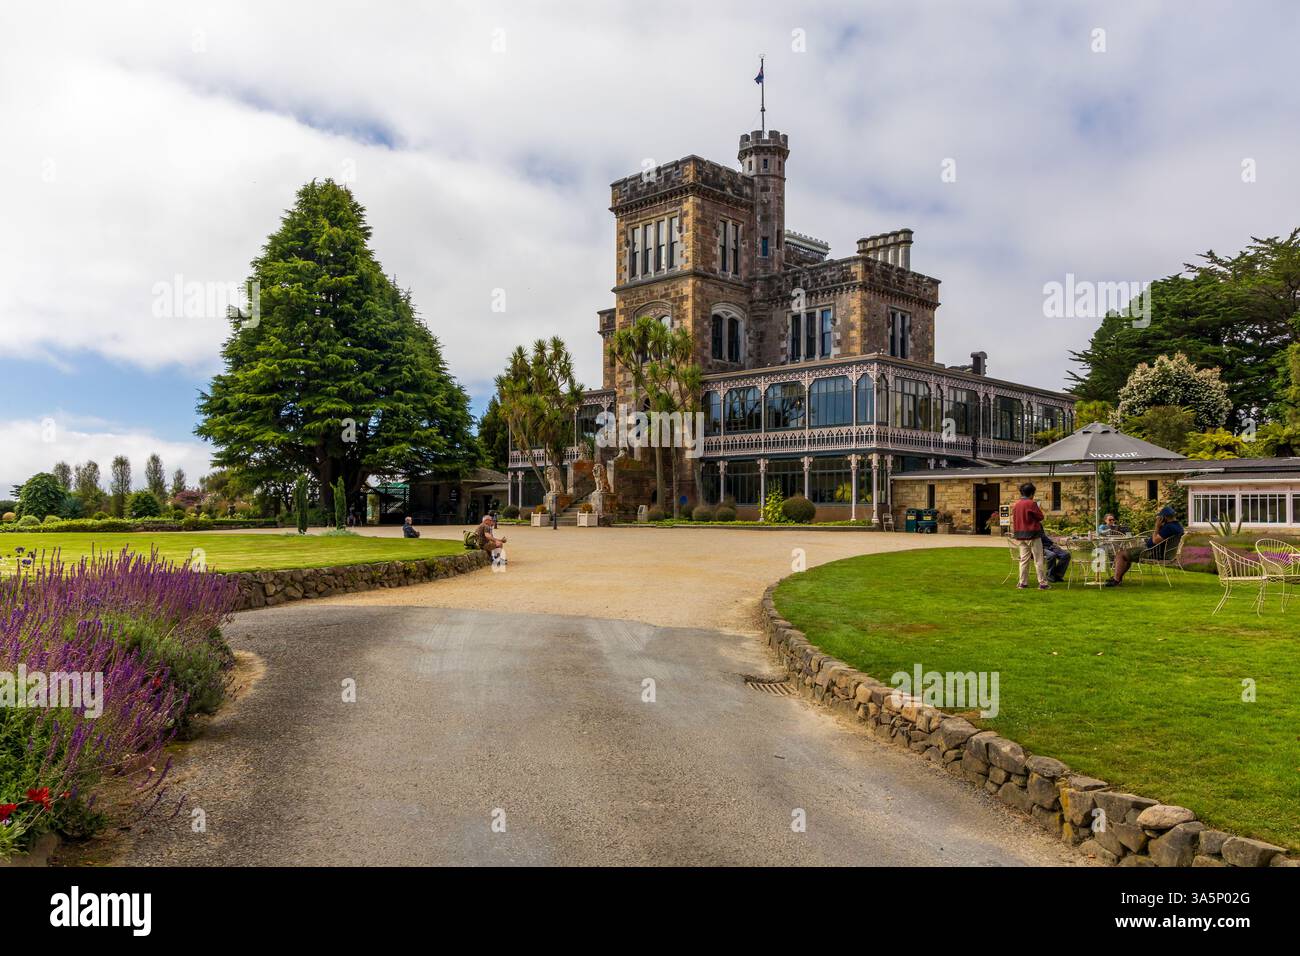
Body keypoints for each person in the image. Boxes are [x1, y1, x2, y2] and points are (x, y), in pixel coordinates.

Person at [1105, 505, 1184, 586]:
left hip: (1152, 552)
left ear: (1164, 517)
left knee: (1121, 554)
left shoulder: (1169, 527)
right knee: (1126, 556)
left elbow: (1155, 540)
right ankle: (1117, 578)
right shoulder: (1178, 526)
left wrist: (1157, 527)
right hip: (1163, 553)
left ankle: (1116, 580)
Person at [1011, 482, 1050, 590]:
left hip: (1020, 536)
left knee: (1023, 560)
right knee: (1038, 560)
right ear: (1032, 493)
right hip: (1033, 535)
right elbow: (1040, 517)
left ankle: (1022, 583)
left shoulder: (1016, 504)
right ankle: (1042, 583)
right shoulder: (1031, 504)